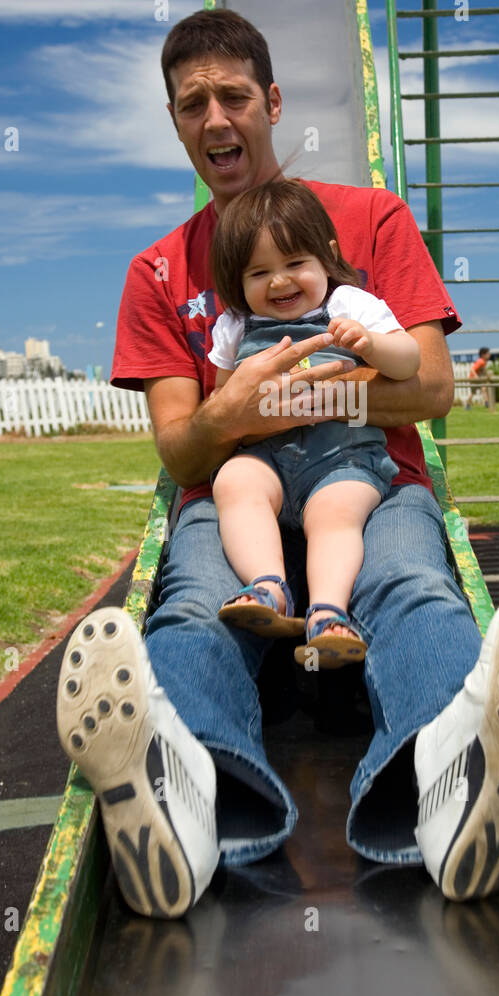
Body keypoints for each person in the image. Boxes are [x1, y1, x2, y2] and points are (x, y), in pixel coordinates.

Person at [56, 9, 499, 919]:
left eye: (235, 96)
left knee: (414, 581)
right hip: (238, 490)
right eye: (192, 104)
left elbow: (433, 386)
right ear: (175, 123)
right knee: (191, 603)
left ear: (273, 103)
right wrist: (233, 410)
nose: (216, 119)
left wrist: (300, 399)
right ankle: (183, 794)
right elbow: (180, 446)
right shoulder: (156, 273)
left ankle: (451, 779)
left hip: (364, 481)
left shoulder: (370, 220)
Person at [208, 178, 420, 667]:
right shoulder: (235, 325)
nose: (279, 282)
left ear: (326, 256)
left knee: (334, 516)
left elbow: (409, 362)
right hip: (266, 457)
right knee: (235, 482)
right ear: (237, 281)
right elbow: (223, 401)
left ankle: (328, 612)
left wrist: (369, 343)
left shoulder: (348, 306)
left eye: (295, 264)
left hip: (340, 459)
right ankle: (267, 587)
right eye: (259, 272)